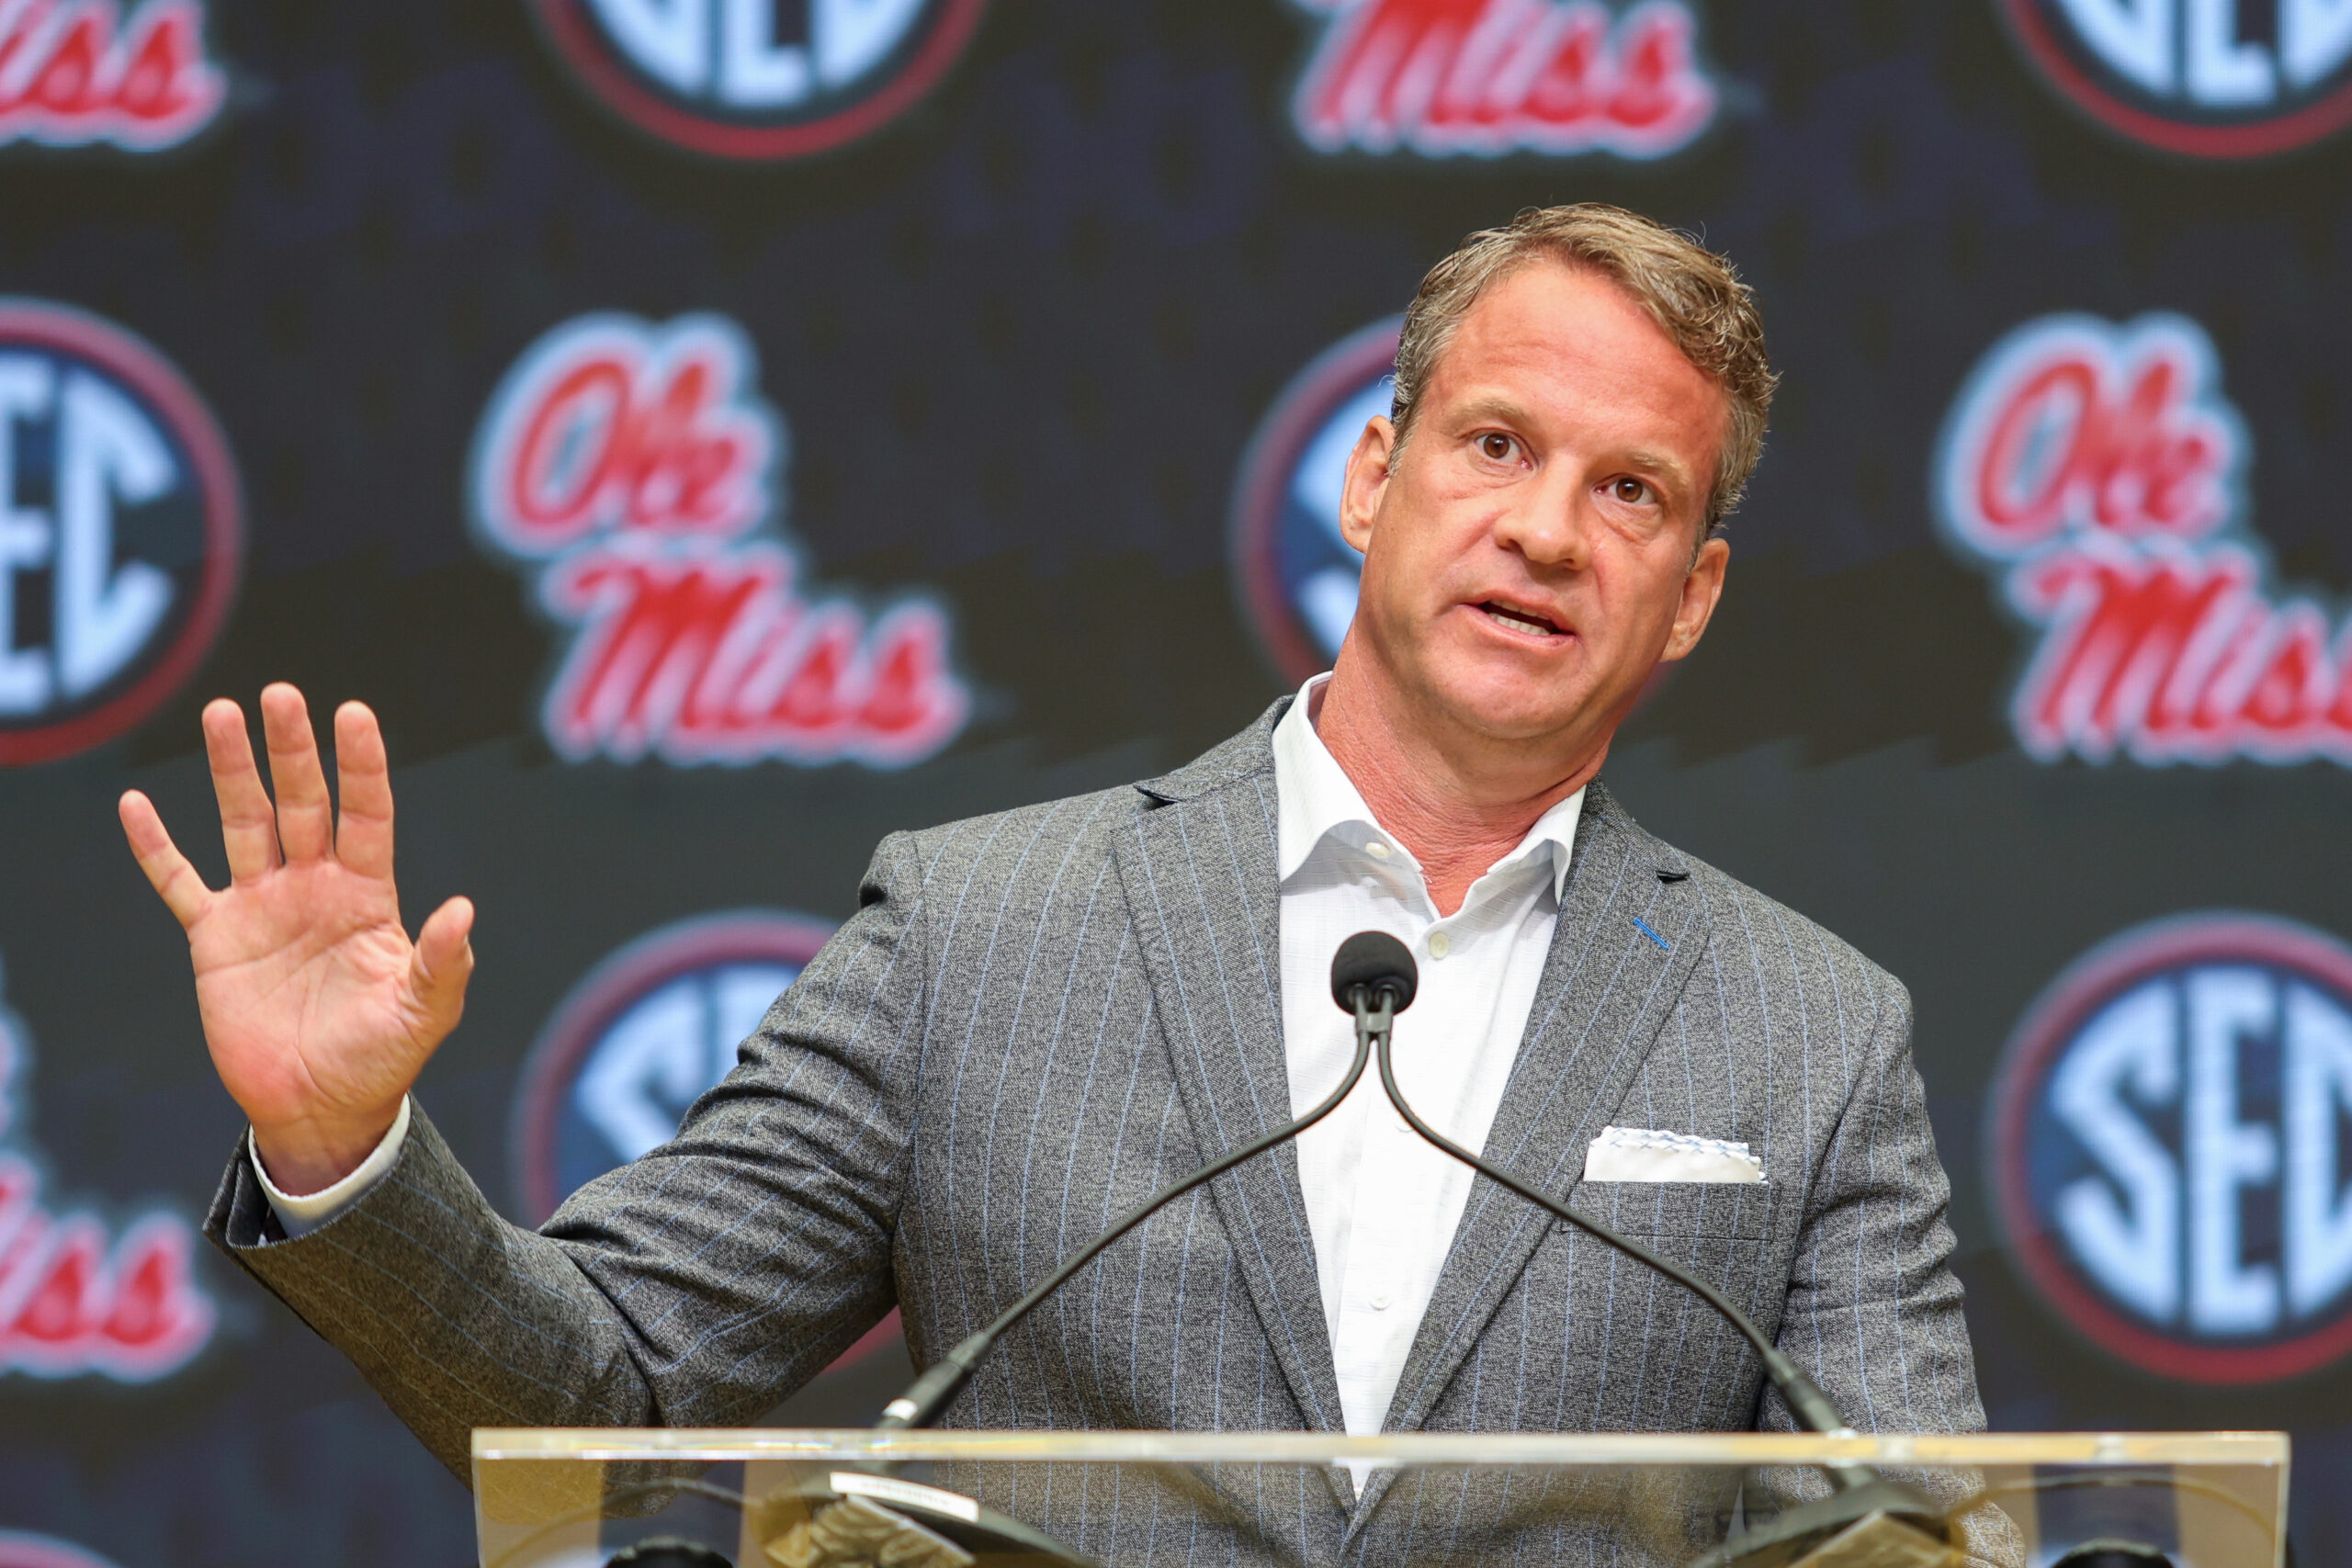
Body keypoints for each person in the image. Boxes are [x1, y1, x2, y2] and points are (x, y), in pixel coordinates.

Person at [120, 206, 1985, 1562]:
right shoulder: (980, 934)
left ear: (1693, 595)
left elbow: (1920, 1538)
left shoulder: (1809, 1034)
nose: (1546, 530)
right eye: (1496, 443)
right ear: (1372, 477)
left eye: (1631, 491)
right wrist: (342, 1142)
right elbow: (596, 1395)